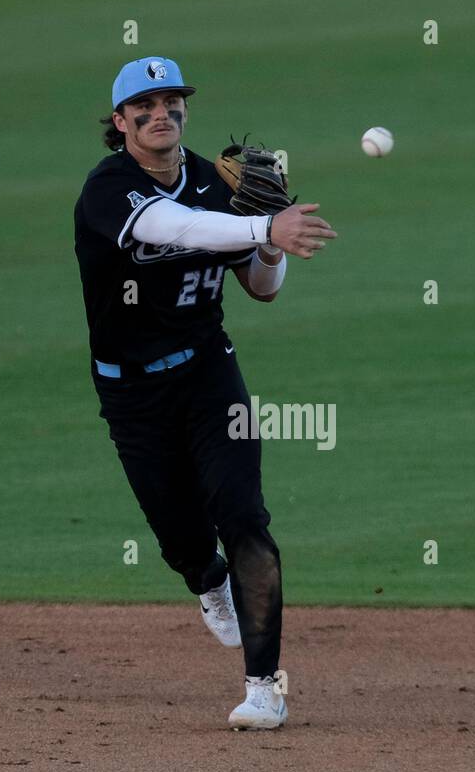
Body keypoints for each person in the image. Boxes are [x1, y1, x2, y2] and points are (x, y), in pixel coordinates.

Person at [72, 56, 337, 729]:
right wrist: (262, 228)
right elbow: (171, 226)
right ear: (120, 121)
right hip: (131, 394)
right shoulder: (107, 191)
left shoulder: (220, 184)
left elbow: (263, 288)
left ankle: (263, 687)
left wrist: (270, 242)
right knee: (183, 540)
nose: (161, 114)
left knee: (244, 516)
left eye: (172, 102)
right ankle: (206, 579)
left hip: (209, 374)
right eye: (145, 106)